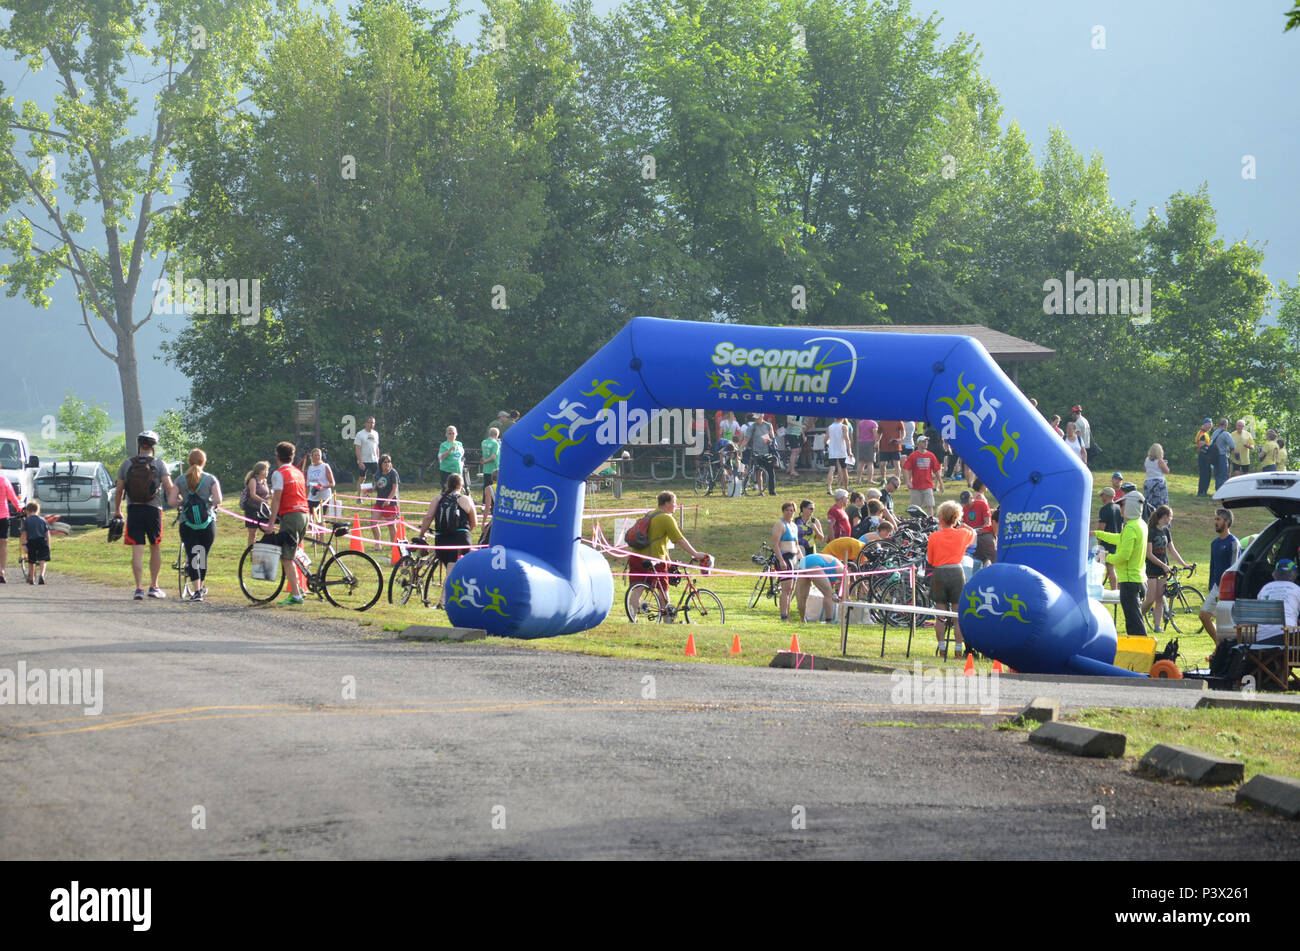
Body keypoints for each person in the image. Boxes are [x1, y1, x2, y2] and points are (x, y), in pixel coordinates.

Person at [113, 430, 180, 600]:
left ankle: (138, 588)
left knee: (137, 550)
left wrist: (118, 510)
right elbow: (169, 487)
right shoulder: (159, 464)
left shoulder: (127, 464)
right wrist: (180, 500)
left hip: (134, 509)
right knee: (155, 546)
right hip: (153, 510)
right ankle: (154, 586)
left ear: (139, 445)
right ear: (153, 446)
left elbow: (119, 489)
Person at [625, 491, 709, 616]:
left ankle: (632, 619)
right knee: (663, 590)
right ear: (667, 503)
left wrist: (668, 560)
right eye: (674, 502)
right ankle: (667, 621)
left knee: (637, 589)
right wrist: (695, 554)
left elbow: (658, 541)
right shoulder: (666, 518)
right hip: (655, 560)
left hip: (636, 557)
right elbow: (680, 540)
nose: (676, 505)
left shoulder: (649, 514)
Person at [260, 441, 311, 606]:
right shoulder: (298, 472)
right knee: (293, 551)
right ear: (292, 456)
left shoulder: (278, 473)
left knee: (286, 557)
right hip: (304, 513)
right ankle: (300, 586)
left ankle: (296, 596)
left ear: (277, 456)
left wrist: (270, 523)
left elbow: (276, 499)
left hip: (291, 515)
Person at [418, 473, 478, 606]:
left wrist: (421, 534)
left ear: (447, 484)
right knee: (452, 571)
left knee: (450, 569)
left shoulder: (438, 498)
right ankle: (443, 602)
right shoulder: (465, 499)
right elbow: (474, 523)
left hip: (441, 540)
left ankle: (448, 599)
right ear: (460, 485)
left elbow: (428, 517)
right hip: (460, 539)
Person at [1094, 491, 1148, 636]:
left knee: (1134, 624)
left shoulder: (1131, 527)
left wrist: (1105, 557)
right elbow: (1120, 539)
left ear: (1131, 505)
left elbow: (1123, 556)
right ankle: (1142, 653)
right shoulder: (1140, 524)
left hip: (1130, 582)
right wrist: (1098, 534)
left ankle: (1143, 655)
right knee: (1135, 621)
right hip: (1139, 580)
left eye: (1122, 505)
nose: (1120, 509)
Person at [927, 501, 976, 658]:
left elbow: (931, 561)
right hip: (957, 572)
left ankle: (942, 648)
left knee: (940, 615)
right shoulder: (962, 534)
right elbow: (973, 533)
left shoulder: (934, 536)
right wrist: (962, 525)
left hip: (940, 572)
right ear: (956, 518)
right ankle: (958, 649)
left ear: (940, 516)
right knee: (957, 615)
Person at [178, 448, 222, 602]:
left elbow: (171, 501)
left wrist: (182, 502)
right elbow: (218, 499)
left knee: (192, 554)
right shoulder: (210, 479)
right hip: (207, 523)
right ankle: (200, 588)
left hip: (187, 523)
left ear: (189, 462)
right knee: (202, 555)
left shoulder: (181, 479)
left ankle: (196, 590)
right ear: (204, 462)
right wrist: (209, 504)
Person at [1141, 504, 1188, 633]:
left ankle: (1157, 626)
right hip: (1152, 568)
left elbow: (1172, 550)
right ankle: (1138, 617)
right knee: (1150, 599)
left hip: (1163, 569)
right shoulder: (1150, 531)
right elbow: (1149, 554)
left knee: (1160, 599)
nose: (1170, 520)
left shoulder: (1166, 531)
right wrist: (1163, 565)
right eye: (1170, 517)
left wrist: (1184, 564)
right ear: (1164, 516)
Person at [1199, 509, 1240, 640]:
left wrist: (1230, 591)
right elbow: (1213, 566)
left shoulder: (1234, 543)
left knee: (1224, 622)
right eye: (1215, 519)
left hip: (1227, 589)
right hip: (1216, 587)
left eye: (1218, 519)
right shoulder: (1214, 543)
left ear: (1227, 522)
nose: (1215, 522)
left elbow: (1234, 569)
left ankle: (1222, 648)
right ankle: (1219, 644)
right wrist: (1211, 585)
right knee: (1204, 615)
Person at [1252, 559, 1300, 645]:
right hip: (1288, 636)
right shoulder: (1296, 589)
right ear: (1293, 574)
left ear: (1275, 573)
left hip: (1262, 639)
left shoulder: (1264, 588)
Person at [771, 501, 801, 621]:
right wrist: (781, 560)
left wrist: (802, 560)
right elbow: (775, 544)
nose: (789, 512)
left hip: (794, 558)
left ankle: (787, 614)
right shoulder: (780, 524)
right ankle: (783, 615)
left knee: (791, 589)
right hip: (784, 557)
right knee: (786, 588)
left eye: (791, 510)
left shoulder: (794, 526)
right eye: (787, 510)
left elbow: (797, 545)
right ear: (783, 511)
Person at [792, 551, 842, 624]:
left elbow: (829, 588)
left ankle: (802, 620)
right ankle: (829, 621)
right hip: (814, 562)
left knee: (802, 597)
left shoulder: (835, 569)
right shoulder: (845, 573)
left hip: (804, 561)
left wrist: (833, 595)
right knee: (828, 595)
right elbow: (845, 596)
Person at [901, 435, 943, 515]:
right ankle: (916, 523)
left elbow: (937, 470)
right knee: (915, 507)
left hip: (927, 485)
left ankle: (930, 520)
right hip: (915, 486)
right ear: (918, 443)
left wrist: (941, 483)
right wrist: (908, 482)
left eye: (926, 441)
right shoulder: (913, 455)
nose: (926, 443)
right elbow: (905, 468)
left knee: (930, 505)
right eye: (923, 441)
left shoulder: (931, 455)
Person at [962, 479, 996, 567]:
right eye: (964, 503)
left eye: (967, 501)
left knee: (988, 557)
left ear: (971, 498)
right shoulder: (964, 509)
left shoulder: (981, 504)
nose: (966, 505)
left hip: (983, 533)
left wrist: (978, 531)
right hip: (971, 536)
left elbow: (987, 522)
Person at [1096, 486, 1123, 590]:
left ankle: (1097, 589)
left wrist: (1097, 544)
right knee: (1112, 568)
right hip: (1116, 542)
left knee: (1099, 568)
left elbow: (1101, 529)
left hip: (1105, 544)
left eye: (1102, 495)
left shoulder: (1104, 510)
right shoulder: (1118, 508)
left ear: (1106, 496)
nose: (1101, 497)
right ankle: (1115, 591)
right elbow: (1121, 527)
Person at [370, 454, 401, 545]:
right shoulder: (378, 473)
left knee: (391, 526)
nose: (387, 464)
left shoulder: (393, 473)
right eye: (385, 462)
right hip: (379, 503)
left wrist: (388, 500)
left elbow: (395, 488)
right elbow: (376, 485)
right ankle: (378, 545)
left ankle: (394, 546)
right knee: (373, 523)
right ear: (381, 464)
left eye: (389, 462)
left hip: (390, 504)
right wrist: (369, 490)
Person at [241, 462, 271, 548]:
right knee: (253, 533)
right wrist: (264, 501)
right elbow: (253, 494)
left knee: (268, 530)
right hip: (252, 509)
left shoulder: (264, 481)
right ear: (260, 471)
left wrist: (271, 496)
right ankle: (251, 553)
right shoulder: (253, 480)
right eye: (266, 470)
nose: (267, 472)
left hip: (263, 510)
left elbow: (264, 494)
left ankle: (264, 548)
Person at [0, 471, 23, 583]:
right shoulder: (4, 480)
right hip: (3, 516)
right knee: (3, 543)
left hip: (3, 516)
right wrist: (19, 509)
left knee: (3, 543)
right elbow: (13, 497)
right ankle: (2, 571)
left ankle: (1, 571)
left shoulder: (4, 480)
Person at [20, 500, 49, 584]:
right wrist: (48, 544)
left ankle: (32, 579)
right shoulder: (42, 520)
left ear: (27, 511)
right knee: (42, 560)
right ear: (37, 510)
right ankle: (41, 575)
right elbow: (47, 533)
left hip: (31, 542)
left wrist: (24, 544)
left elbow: (24, 534)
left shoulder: (27, 521)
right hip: (41, 541)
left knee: (31, 561)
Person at [304, 448, 335, 527]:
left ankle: (321, 538)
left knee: (320, 519)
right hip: (312, 496)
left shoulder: (325, 466)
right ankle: (315, 534)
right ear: (312, 457)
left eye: (319, 455)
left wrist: (322, 487)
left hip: (323, 497)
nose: (317, 457)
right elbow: (307, 485)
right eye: (315, 455)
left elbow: (332, 483)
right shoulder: (310, 468)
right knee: (309, 519)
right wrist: (305, 498)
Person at [354, 417, 379, 495]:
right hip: (364, 460)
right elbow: (357, 449)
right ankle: (359, 497)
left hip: (374, 460)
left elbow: (377, 447)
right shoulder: (360, 434)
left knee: (378, 478)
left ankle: (376, 494)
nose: (371, 424)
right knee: (362, 478)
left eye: (373, 423)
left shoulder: (376, 433)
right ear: (365, 423)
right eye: (370, 422)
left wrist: (378, 459)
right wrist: (360, 462)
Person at [1143, 443, 1170, 510]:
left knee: (1149, 502)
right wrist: (1165, 464)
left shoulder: (1147, 459)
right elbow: (1167, 471)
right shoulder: (1160, 461)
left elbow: (1145, 469)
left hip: (1148, 482)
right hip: (1158, 482)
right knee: (1160, 503)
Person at [1210, 419, 1235, 490]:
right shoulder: (1226, 434)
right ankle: (1221, 491)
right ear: (1226, 425)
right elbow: (1232, 445)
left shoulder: (1214, 433)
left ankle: (1217, 489)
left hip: (1214, 456)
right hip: (1222, 455)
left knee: (1217, 474)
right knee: (1223, 474)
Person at [1195, 418, 1215, 496]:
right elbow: (1201, 444)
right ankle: (1202, 492)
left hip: (1204, 455)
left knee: (1206, 474)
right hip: (1203, 456)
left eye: (1211, 425)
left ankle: (1203, 492)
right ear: (1205, 424)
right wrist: (1210, 448)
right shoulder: (1202, 434)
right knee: (1205, 474)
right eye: (1209, 425)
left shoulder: (1204, 433)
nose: (1210, 427)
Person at [856, 418, 878, 484]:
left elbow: (858, 435)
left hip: (861, 443)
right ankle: (870, 480)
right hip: (870, 443)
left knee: (861, 462)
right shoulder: (873, 423)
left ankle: (859, 480)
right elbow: (875, 435)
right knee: (870, 462)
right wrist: (876, 443)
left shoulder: (860, 423)